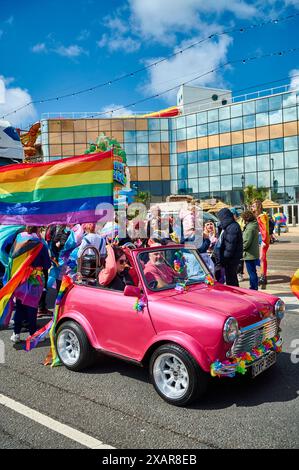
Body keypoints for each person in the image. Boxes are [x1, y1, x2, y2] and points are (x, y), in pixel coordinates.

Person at [10, 226, 51, 343]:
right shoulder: (40, 245)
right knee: (32, 307)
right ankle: (32, 334)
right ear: (38, 230)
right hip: (35, 280)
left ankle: (16, 334)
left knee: (20, 306)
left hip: (20, 278)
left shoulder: (19, 241)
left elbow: (11, 257)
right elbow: (47, 265)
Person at [217, 208, 243, 287]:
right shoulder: (228, 226)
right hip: (230, 258)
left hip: (231, 259)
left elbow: (230, 246)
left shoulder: (232, 227)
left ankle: (235, 296)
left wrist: (224, 259)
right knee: (231, 278)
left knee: (231, 280)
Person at [251, 200, 270, 289]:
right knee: (262, 258)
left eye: (254, 206)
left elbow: (265, 230)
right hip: (259, 238)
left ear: (258, 207)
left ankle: (263, 276)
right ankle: (263, 276)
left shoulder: (262, 216)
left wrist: (264, 240)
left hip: (262, 239)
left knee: (262, 258)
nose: (252, 207)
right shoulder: (258, 216)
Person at [241, 211, 259, 290]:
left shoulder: (250, 228)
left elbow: (246, 242)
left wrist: (240, 248)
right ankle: (254, 287)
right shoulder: (253, 225)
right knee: (253, 271)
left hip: (249, 254)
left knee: (251, 272)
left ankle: (253, 287)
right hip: (253, 252)